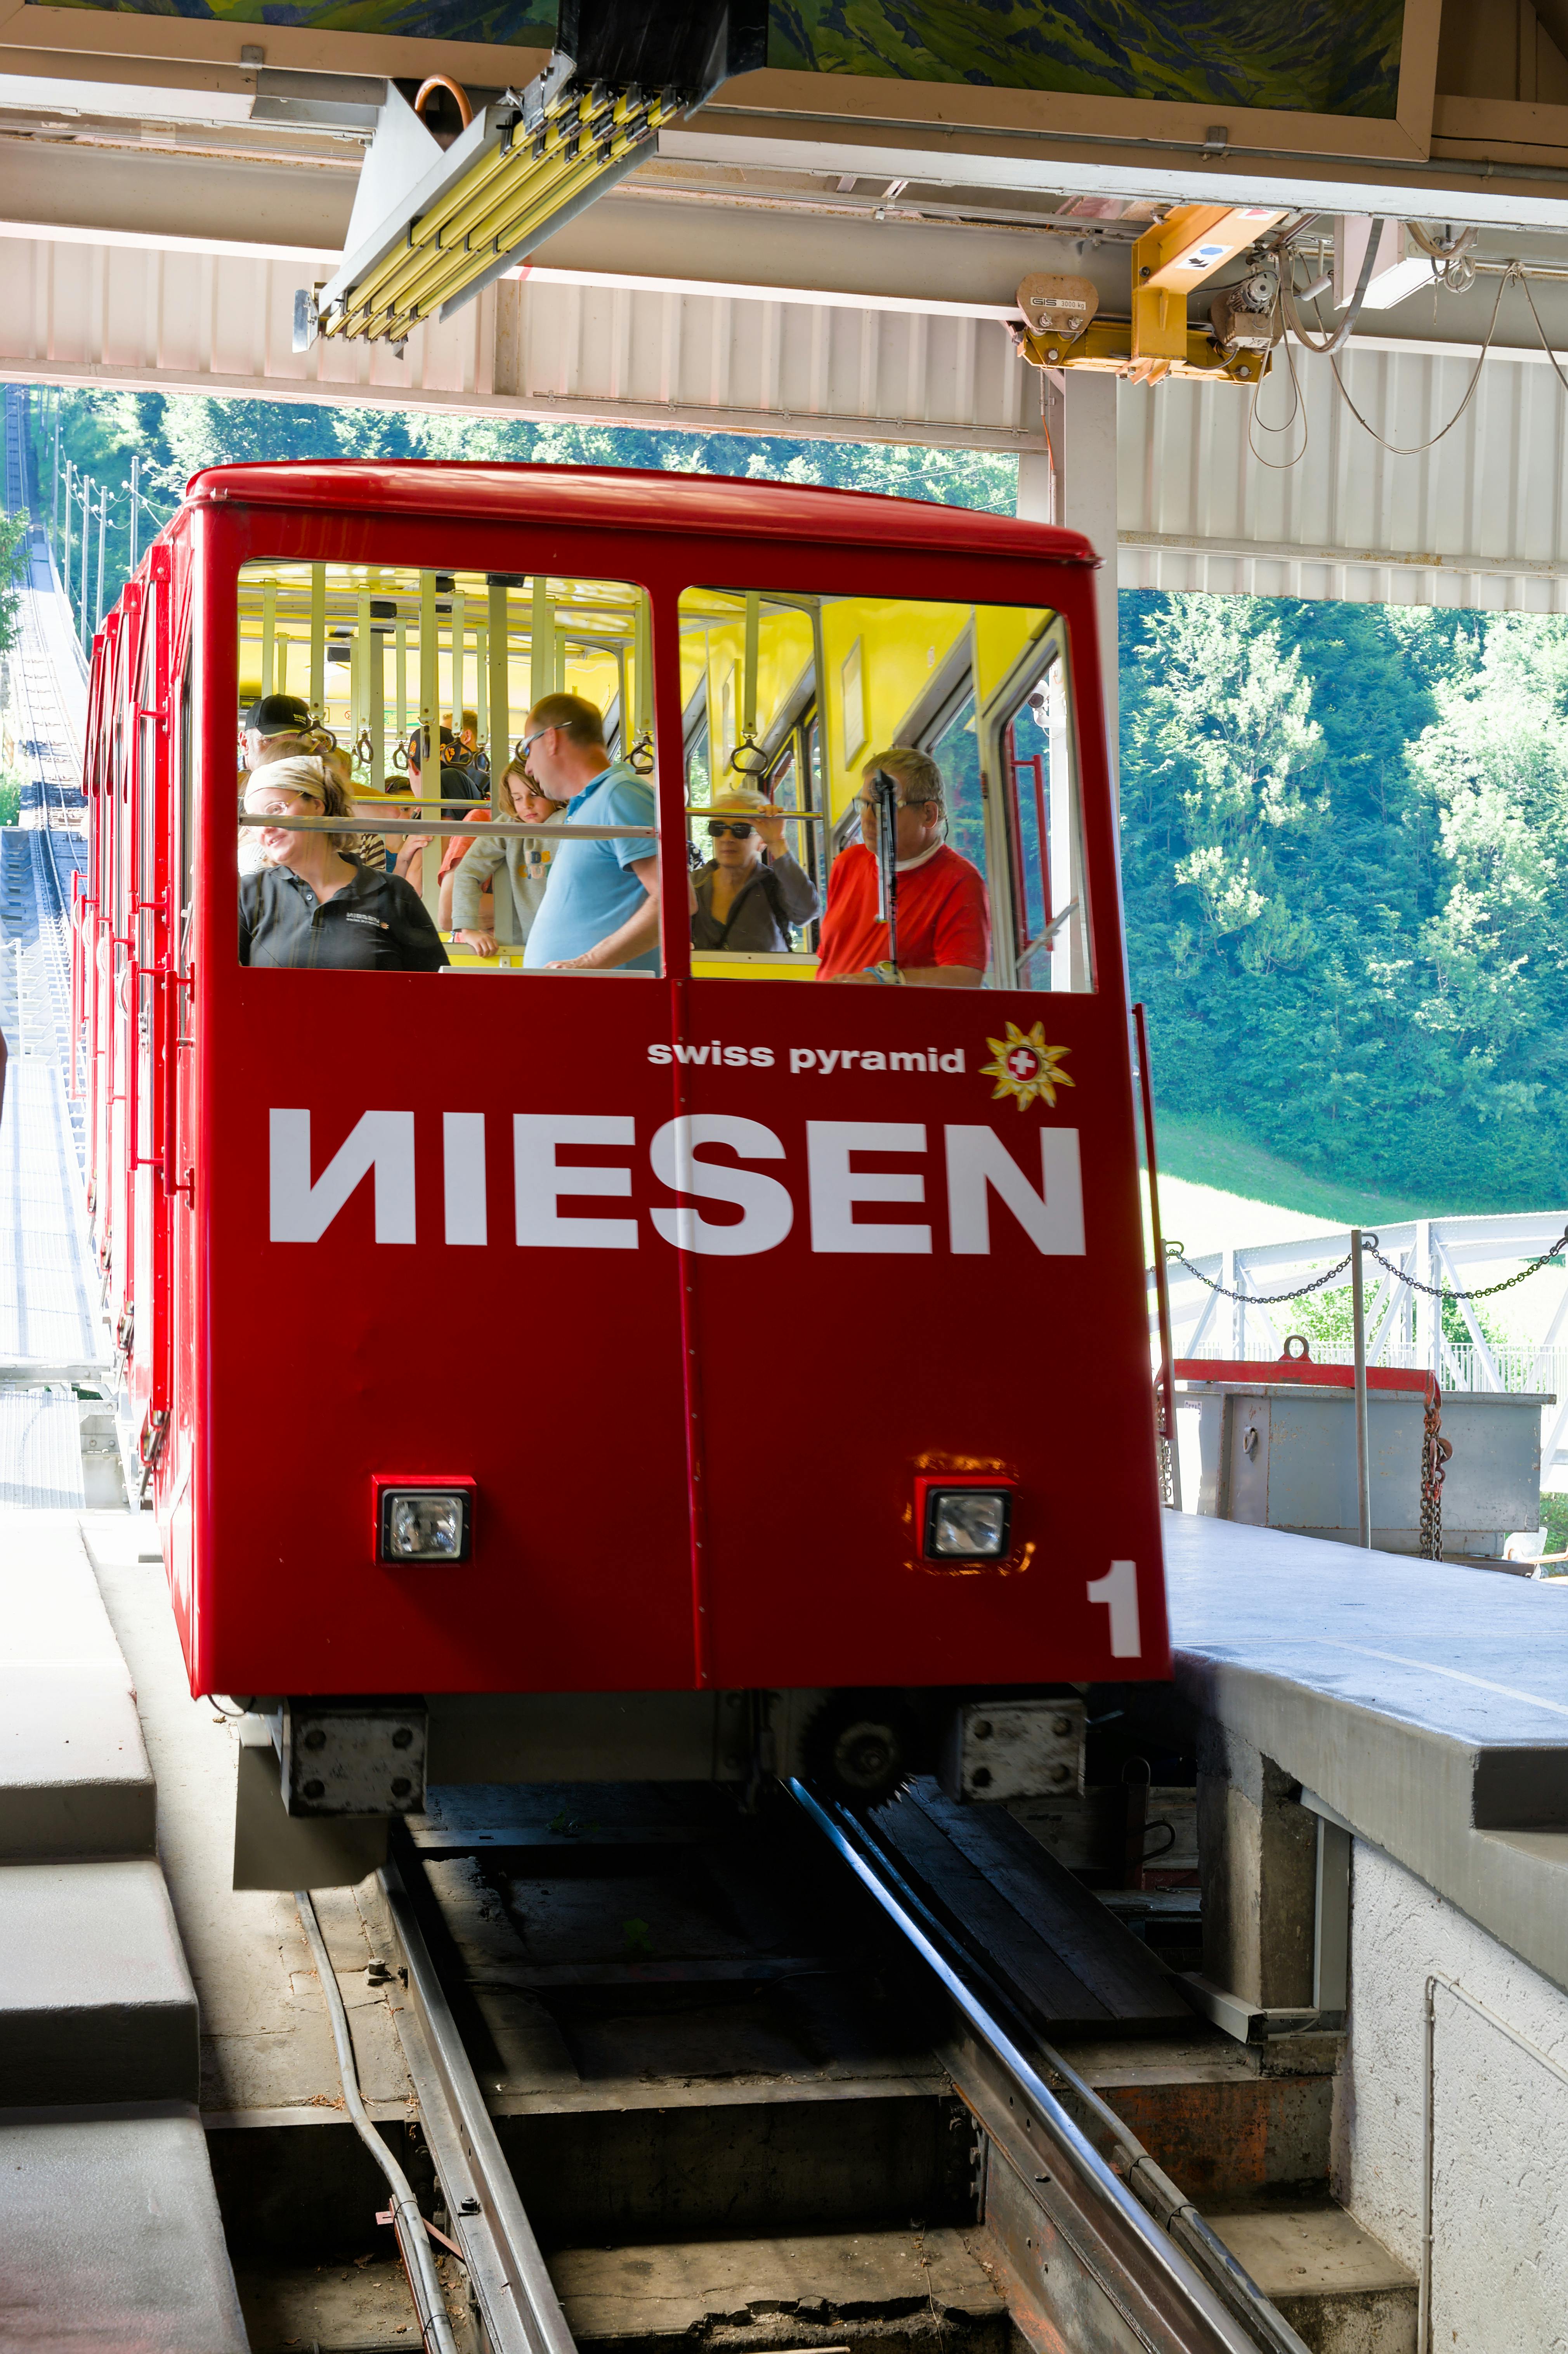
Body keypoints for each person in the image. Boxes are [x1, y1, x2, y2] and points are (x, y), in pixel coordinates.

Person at [239, 756, 448, 972]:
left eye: (275, 809)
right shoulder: (249, 894)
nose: (265, 828)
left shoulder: (393, 893)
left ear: (317, 805)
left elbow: (436, 993)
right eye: (254, 821)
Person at [815, 745, 989, 987]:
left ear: (928, 815)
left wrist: (889, 981)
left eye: (882, 808)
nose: (867, 818)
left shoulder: (959, 880)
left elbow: (965, 978)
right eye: (863, 805)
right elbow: (830, 958)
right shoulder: (848, 862)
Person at [520, 694, 661, 973]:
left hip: (605, 998)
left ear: (551, 739)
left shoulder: (621, 795)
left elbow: (674, 902)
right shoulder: (588, 805)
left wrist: (586, 964)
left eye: (527, 749)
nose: (528, 768)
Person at [451, 760, 565, 954]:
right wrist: (468, 930)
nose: (527, 805)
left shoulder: (571, 821)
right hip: (526, 945)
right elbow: (467, 872)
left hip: (573, 939)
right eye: (518, 798)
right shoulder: (509, 826)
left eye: (535, 795)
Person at [691, 785, 818, 952]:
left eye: (740, 830)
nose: (727, 838)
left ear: (762, 841)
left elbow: (807, 912)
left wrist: (777, 842)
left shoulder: (774, 885)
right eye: (718, 829)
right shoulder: (692, 885)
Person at [241, 693, 317, 774]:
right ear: (245, 743)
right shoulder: (227, 780)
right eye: (269, 740)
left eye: (295, 744)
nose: (282, 756)